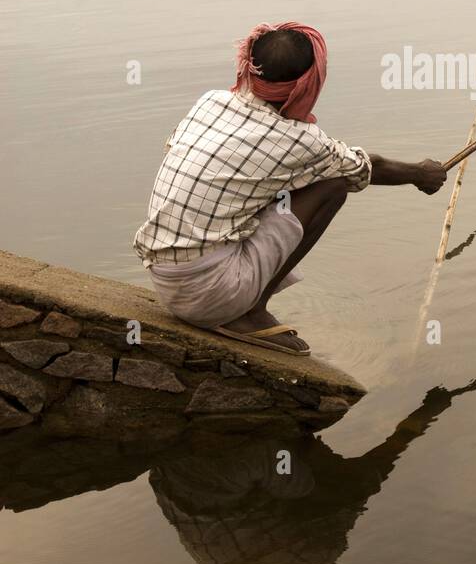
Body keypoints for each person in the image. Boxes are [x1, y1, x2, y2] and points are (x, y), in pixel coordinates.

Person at [134, 21, 447, 355]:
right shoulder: (301, 140)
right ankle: (250, 312)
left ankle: (243, 302)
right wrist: (419, 173)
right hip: (211, 297)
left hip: (165, 279)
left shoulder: (211, 102)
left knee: (283, 181)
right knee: (331, 186)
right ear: (308, 83)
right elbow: (363, 168)